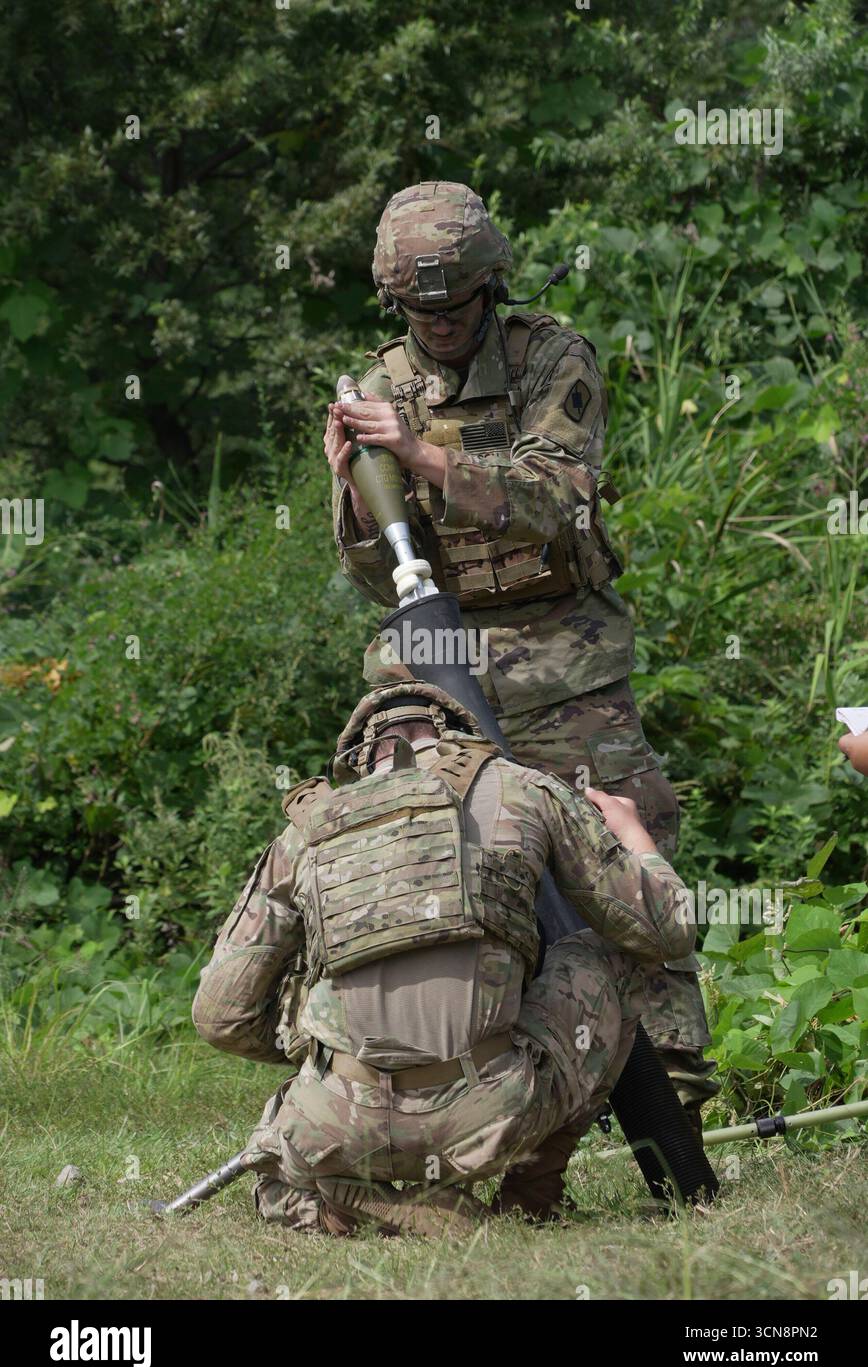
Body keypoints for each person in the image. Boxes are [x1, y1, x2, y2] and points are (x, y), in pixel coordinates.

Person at [322, 180, 715, 1117]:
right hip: (437, 667)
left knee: (620, 853)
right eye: (421, 308)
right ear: (394, 302)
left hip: (565, 666)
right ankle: (450, 1092)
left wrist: (423, 458)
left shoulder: (551, 359)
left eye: (457, 303)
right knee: (433, 869)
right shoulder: (378, 388)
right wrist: (353, 490)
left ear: (490, 285)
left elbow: (558, 499)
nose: (442, 322)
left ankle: (678, 1099)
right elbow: (382, 578)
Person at [192, 682, 696, 1236]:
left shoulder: (305, 831)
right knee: (609, 955)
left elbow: (221, 1016)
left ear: (359, 759)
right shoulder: (524, 788)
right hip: (491, 1118)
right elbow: (665, 933)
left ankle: (345, 1200)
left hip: (336, 1125)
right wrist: (635, 837)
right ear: (459, 736)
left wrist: (314, 1038)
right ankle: (530, 1196)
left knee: (281, 1172)